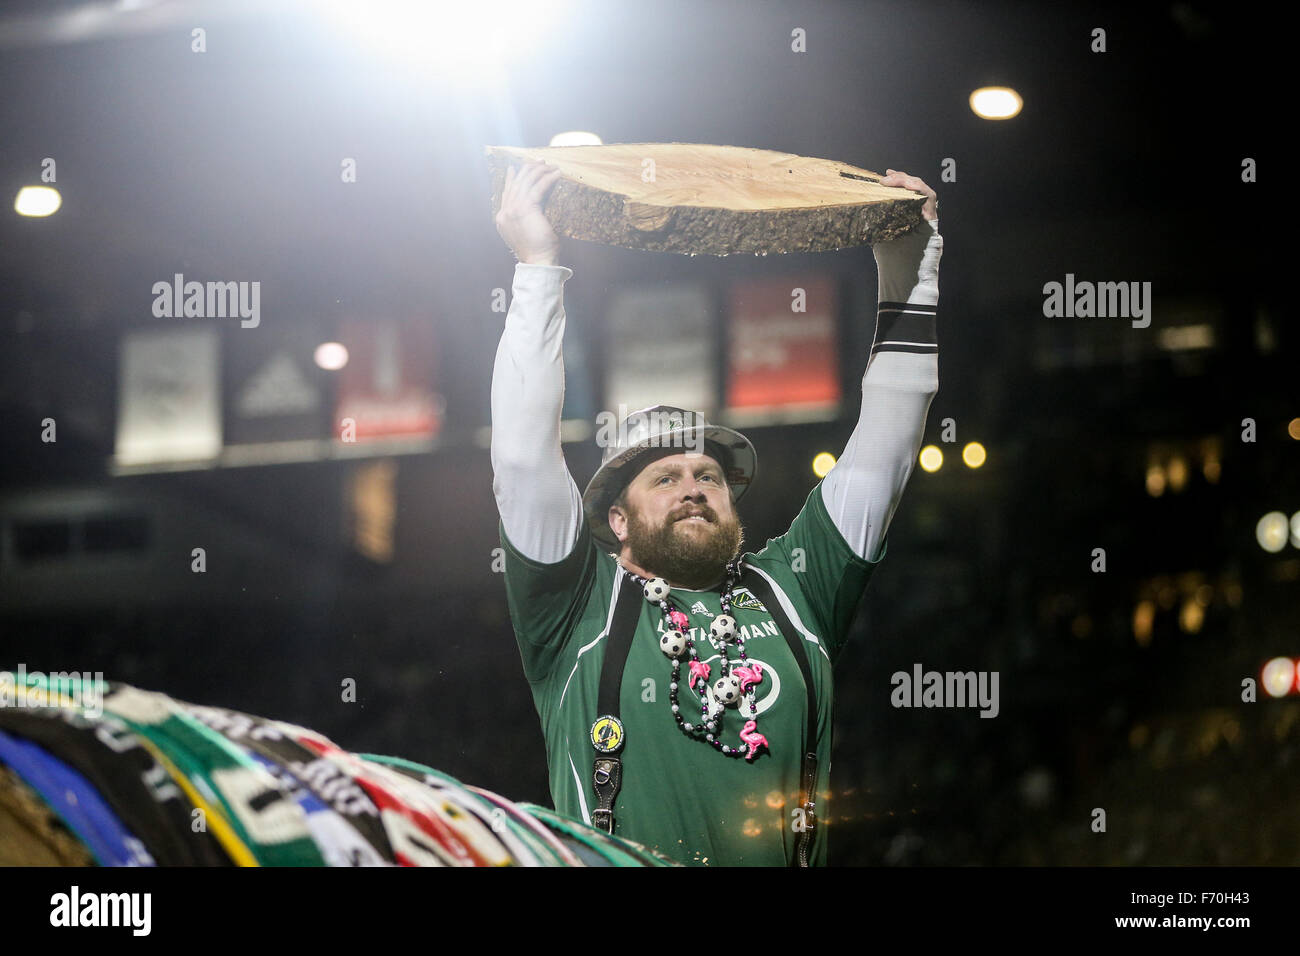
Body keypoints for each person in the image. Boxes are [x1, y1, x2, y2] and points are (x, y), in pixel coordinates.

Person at [490, 158, 941, 865]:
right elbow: (521, 457)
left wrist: (910, 261)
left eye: (708, 475)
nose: (693, 487)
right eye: (664, 478)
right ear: (616, 520)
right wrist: (537, 268)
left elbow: (887, 442)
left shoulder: (798, 586)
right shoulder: (573, 606)